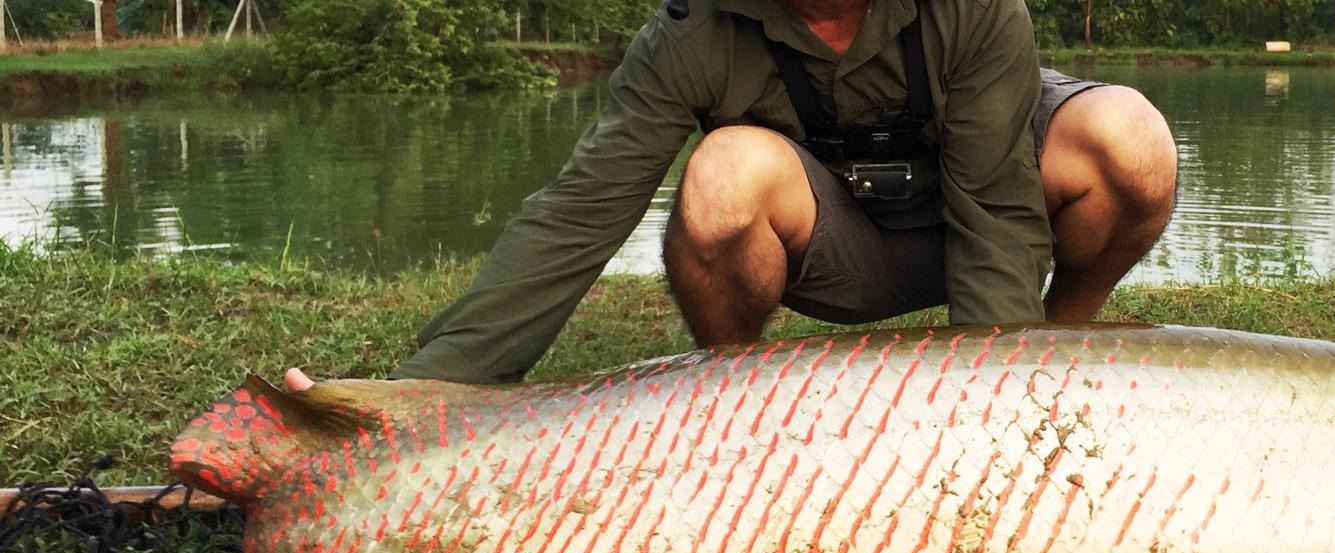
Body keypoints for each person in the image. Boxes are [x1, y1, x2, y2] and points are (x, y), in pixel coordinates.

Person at [288, 0, 1176, 391]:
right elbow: (579, 214)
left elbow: (993, 211)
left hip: (970, 218)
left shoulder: (978, 11)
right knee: (720, 174)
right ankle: (733, 396)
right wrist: (415, 393)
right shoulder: (688, 35)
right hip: (839, 249)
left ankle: (1058, 351)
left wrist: (993, 394)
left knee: (1131, 140)